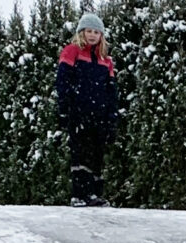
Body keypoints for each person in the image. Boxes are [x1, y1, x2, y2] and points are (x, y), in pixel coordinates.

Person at [55, 14, 118, 208]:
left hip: (99, 114)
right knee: (80, 152)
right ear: (81, 33)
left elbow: (111, 92)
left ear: (101, 35)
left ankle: (94, 194)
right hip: (78, 111)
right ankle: (79, 194)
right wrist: (64, 107)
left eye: (96, 32)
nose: (92, 35)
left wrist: (111, 117)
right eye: (89, 31)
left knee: (97, 154)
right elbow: (62, 80)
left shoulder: (106, 60)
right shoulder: (72, 51)